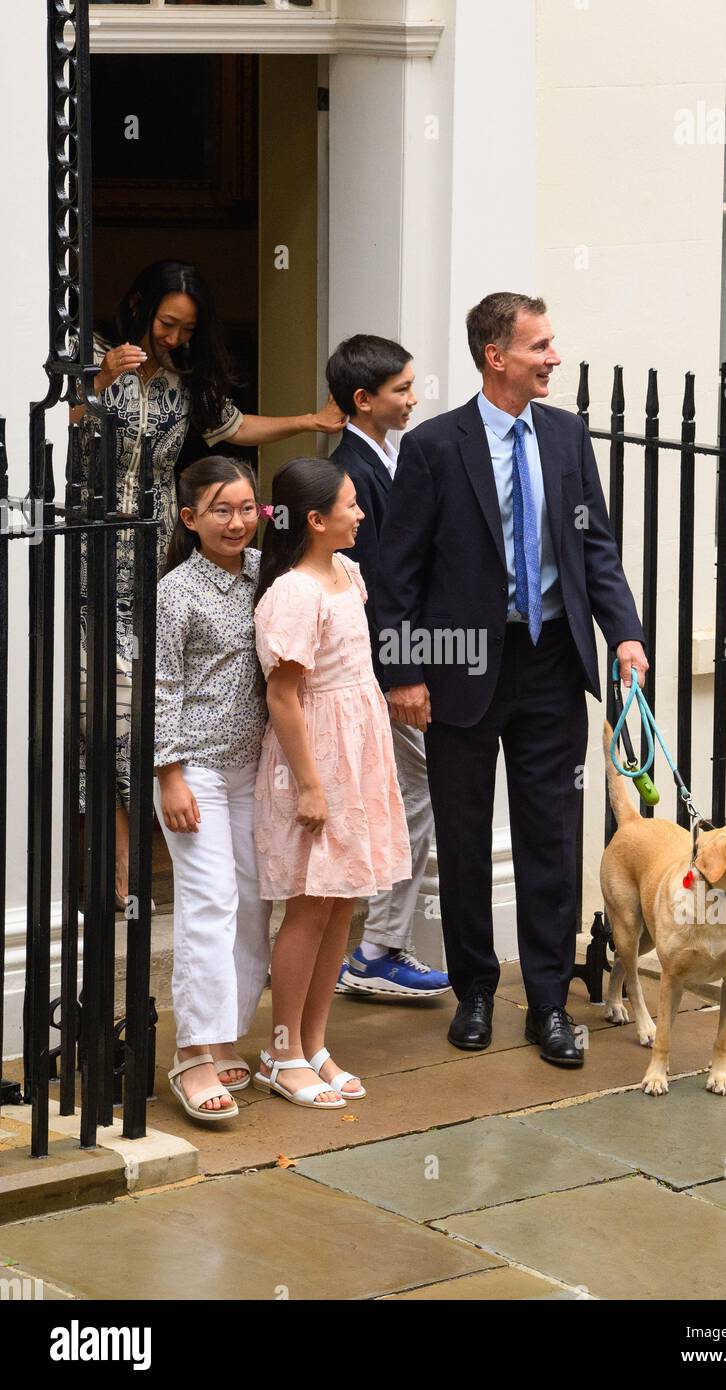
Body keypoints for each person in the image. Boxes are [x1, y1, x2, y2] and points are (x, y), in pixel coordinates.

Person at [376, 292, 649, 1066]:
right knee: (463, 837)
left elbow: (594, 544)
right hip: (461, 662)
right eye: (540, 347)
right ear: (497, 357)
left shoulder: (564, 434)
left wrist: (623, 633)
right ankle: (473, 993)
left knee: (551, 836)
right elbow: (398, 574)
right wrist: (403, 671)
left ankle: (550, 1005)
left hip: (553, 660)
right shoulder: (434, 446)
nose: (553, 358)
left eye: (552, 345)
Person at [71, 260, 346, 907]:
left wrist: (311, 421)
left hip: (159, 547)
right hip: (93, 553)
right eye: (168, 324)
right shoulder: (88, 356)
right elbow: (59, 429)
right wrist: (101, 380)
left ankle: (140, 852)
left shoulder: (183, 382)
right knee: (101, 705)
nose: (174, 338)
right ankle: (114, 861)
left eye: (186, 329)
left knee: (147, 697)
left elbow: (235, 428)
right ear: (139, 307)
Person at [252, 458, 411, 1109]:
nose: (361, 513)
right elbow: (284, 697)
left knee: (343, 898)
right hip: (314, 756)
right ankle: (282, 1050)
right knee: (309, 902)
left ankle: (314, 1043)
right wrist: (311, 787)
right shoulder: (293, 593)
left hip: (359, 748)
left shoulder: (349, 573)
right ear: (315, 521)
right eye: (350, 505)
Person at [326, 334, 449, 998]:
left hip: (396, 664)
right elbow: (380, 585)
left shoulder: (391, 454)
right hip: (380, 670)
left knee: (413, 797)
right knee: (416, 797)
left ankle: (380, 944)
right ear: (362, 400)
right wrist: (403, 673)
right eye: (401, 390)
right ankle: (377, 950)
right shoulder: (352, 471)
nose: (414, 398)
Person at [153, 455, 272, 1122]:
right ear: (190, 518)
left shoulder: (264, 575)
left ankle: (226, 1032)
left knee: (255, 899)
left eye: (247, 507)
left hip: (252, 768)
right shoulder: (175, 592)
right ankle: (192, 1054)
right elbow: (161, 687)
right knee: (210, 903)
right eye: (221, 510)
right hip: (193, 769)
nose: (237, 521)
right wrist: (168, 774)